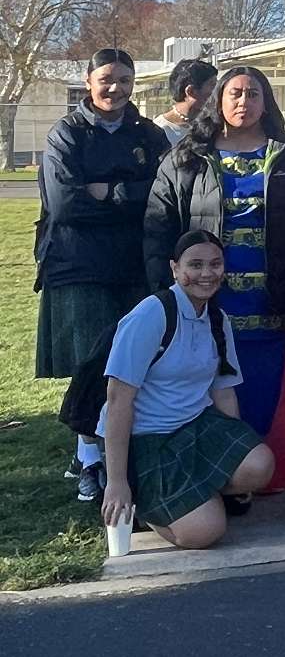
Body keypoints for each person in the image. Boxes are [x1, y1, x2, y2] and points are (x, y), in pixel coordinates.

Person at [144, 67, 285, 440]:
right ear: (218, 100)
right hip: (208, 296)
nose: (244, 102)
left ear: (266, 101)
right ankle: (224, 466)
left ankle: (268, 465)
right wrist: (166, 293)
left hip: (275, 297)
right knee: (214, 380)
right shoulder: (187, 156)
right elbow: (159, 227)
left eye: (254, 94)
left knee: (270, 384)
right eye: (234, 93)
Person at [36, 49, 169, 503]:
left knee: (131, 365)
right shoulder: (65, 135)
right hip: (78, 264)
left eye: (125, 79)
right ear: (89, 80)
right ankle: (88, 459)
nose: (116, 88)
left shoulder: (149, 135)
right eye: (107, 79)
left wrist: (105, 191)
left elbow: (163, 192)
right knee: (89, 365)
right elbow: (65, 204)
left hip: (135, 264)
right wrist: (131, 194)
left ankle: (125, 455)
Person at [99, 231, 274, 550]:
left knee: (260, 465)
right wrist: (117, 482)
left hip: (196, 424)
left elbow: (223, 392)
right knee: (204, 533)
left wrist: (233, 451)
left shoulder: (218, 319)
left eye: (215, 264)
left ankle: (192, 496)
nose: (206, 274)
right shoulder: (152, 314)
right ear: (175, 269)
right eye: (195, 265)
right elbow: (117, 400)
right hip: (148, 438)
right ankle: (147, 502)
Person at [157, 59, 218, 148]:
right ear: (190, 91)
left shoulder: (215, 127)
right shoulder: (159, 130)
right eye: (213, 85)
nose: (218, 91)